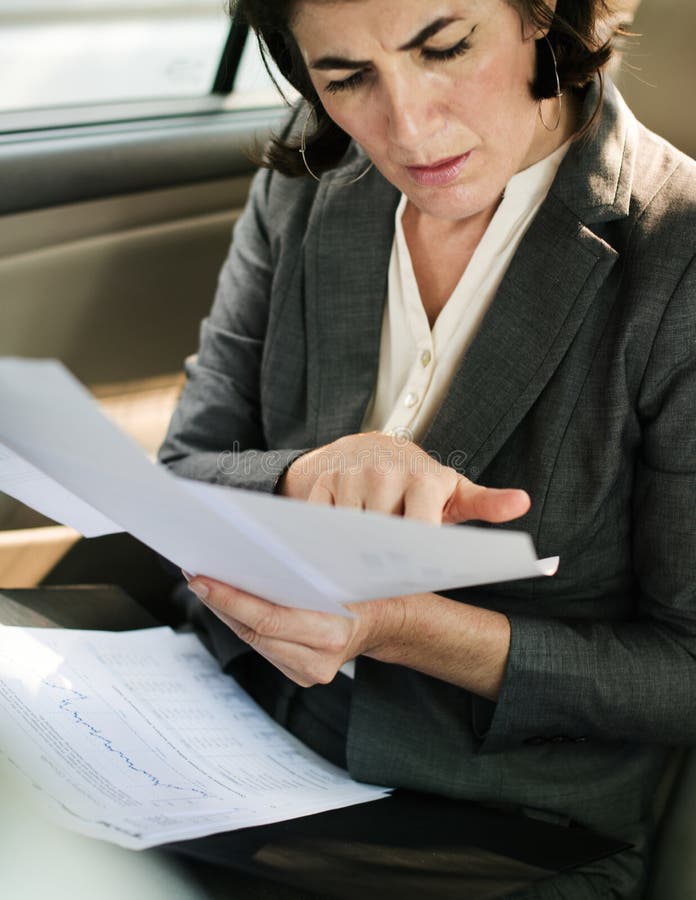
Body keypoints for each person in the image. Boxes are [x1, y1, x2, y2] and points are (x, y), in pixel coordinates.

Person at [158, 0, 696, 896]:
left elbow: (686, 670)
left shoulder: (678, 261)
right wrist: (301, 478)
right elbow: (183, 474)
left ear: (547, 17)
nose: (405, 127)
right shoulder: (306, 180)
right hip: (224, 743)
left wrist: (403, 628)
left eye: (444, 47)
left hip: (496, 831)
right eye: (345, 78)